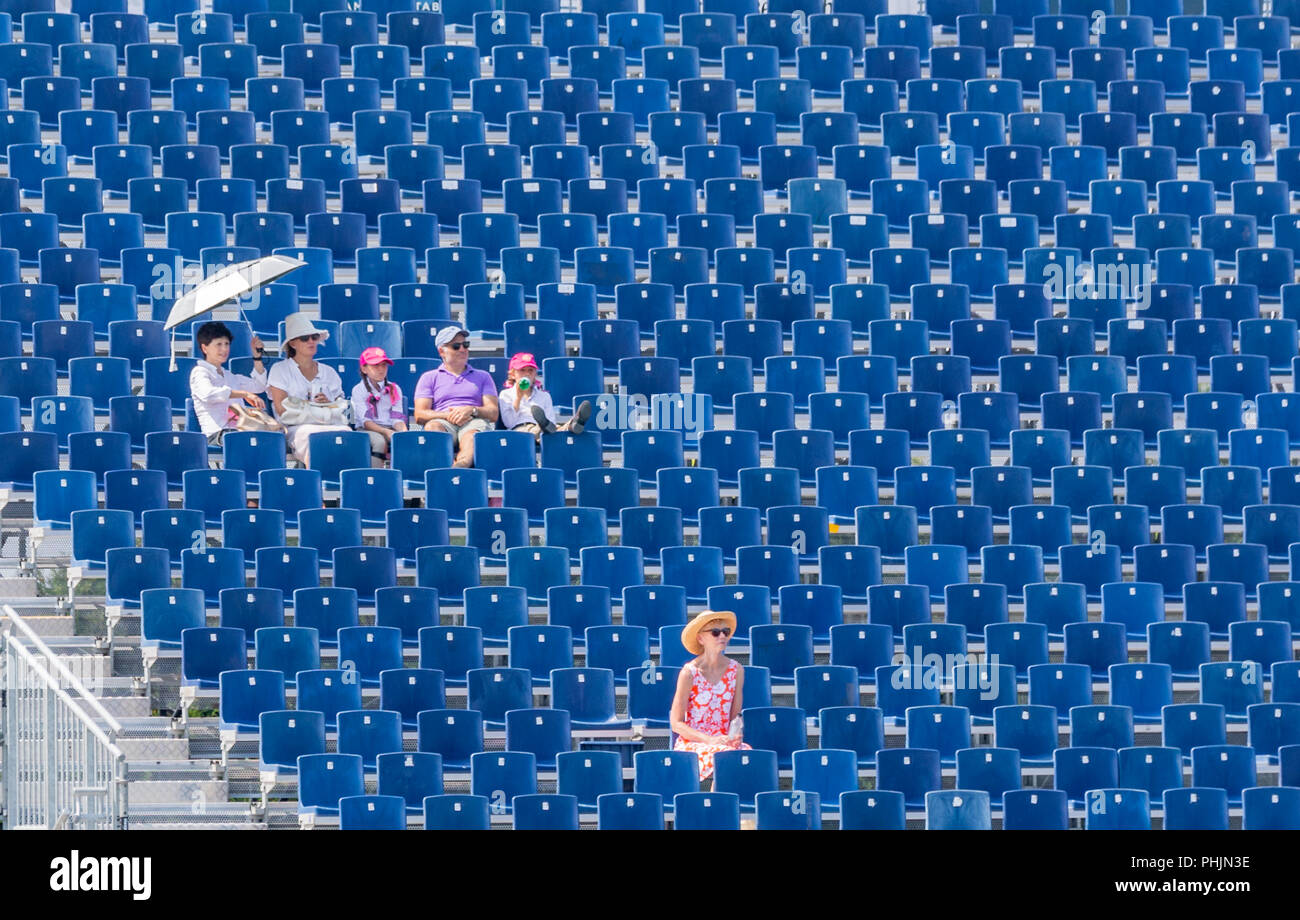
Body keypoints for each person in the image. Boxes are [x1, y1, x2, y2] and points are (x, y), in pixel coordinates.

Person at [670, 610, 750, 785]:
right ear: (700, 638)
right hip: (694, 742)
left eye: (725, 632)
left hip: (722, 740)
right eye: (715, 632)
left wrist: (734, 735)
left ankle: (722, 803)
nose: (722, 636)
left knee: (744, 753)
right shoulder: (689, 673)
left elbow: (734, 717)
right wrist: (710, 739)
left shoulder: (736, 670)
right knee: (722, 754)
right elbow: (676, 723)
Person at [267, 313, 350, 467]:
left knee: (347, 433)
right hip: (296, 427)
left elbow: (343, 406)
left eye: (314, 337)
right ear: (292, 344)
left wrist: (327, 402)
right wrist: (319, 406)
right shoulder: (280, 369)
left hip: (329, 424)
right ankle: (318, 479)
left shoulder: (329, 371)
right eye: (305, 338)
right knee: (312, 437)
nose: (311, 341)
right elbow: (281, 409)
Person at [412, 326, 498, 468]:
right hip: (443, 421)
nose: (463, 349)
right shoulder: (429, 377)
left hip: (473, 420)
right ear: (441, 351)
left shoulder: (483, 376)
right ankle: (447, 468)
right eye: (456, 346)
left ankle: (460, 467)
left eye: (465, 345)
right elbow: (419, 414)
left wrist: (472, 410)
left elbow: (493, 412)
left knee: (472, 436)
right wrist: (450, 415)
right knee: (432, 427)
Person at [188, 320, 268, 446]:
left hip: (240, 431)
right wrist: (244, 394)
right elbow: (208, 394)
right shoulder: (199, 372)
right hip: (216, 434)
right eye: (218, 344)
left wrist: (257, 357)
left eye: (227, 344)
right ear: (205, 348)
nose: (224, 349)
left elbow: (259, 386)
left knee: (268, 439)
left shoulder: (230, 376)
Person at [497, 352, 593, 440]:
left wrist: (546, 425)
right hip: (520, 431)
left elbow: (551, 422)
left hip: (545, 429)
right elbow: (509, 423)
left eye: (530, 370)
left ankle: (574, 423)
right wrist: (518, 398)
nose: (527, 374)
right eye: (522, 370)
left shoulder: (544, 396)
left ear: (535, 373)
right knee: (543, 430)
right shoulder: (506, 395)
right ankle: (565, 426)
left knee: (553, 428)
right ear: (513, 374)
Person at [351, 346, 407, 460]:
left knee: (406, 439)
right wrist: (386, 432)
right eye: (375, 365)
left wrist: (403, 431)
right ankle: (375, 476)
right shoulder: (358, 390)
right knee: (379, 442)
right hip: (367, 430)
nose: (381, 369)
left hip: (390, 428)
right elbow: (366, 422)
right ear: (364, 369)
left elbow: (396, 417)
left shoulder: (394, 388)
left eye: (384, 365)